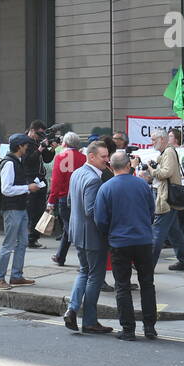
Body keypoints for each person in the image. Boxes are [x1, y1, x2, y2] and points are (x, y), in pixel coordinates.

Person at [95, 151, 159, 341]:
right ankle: (149, 328)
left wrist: (109, 234)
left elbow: (101, 220)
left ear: (111, 167)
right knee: (147, 283)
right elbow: (151, 212)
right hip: (144, 240)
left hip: (119, 242)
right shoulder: (142, 184)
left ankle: (128, 329)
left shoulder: (106, 188)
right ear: (128, 165)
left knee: (122, 286)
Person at [65, 140, 113, 333]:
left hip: (78, 233)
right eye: (103, 157)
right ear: (91, 157)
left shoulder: (77, 173)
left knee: (84, 272)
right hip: (92, 236)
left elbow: (69, 201)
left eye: (108, 156)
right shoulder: (93, 179)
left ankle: (72, 309)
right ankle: (90, 321)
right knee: (95, 277)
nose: (107, 160)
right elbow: (91, 210)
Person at [0, 133, 43, 289]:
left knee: (22, 243)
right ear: (20, 146)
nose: (28, 148)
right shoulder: (9, 163)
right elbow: (6, 189)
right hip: (12, 208)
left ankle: (16, 276)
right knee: (9, 244)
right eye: (26, 145)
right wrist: (28, 187)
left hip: (20, 207)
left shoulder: (17, 161)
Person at [145, 128, 184, 271]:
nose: (151, 142)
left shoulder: (169, 152)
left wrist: (151, 170)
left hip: (165, 197)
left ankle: (147, 265)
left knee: (157, 231)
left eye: (154, 140)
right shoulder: (166, 152)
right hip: (166, 195)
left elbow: (166, 173)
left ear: (163, 140)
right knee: (174, 232)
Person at [50, 132, 87, 266]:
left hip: (64, 197)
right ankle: (60, 256)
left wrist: (51, 200)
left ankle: (84, 260)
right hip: (80, 196)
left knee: (70, 228)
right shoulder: (84, 158)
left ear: (64, 143)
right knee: (69, 227)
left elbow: (56, 181)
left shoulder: (60, 157)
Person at [24, 121, 56, 249]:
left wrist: (52, 148)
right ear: (32, 130)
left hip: (40, 179)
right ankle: (30, 238)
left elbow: (47, 158)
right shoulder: (24, 142)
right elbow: (28, 160)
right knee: (31, 209)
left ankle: (34, 238)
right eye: (39, 134)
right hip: (30, 178)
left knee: (39, 210)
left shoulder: (38, 142)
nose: (40, 137)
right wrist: (40, 148)